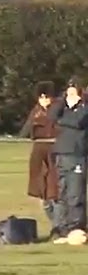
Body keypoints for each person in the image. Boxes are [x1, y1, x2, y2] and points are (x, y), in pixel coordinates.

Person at [19, 82, 60, 234]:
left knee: (55, 192)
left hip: (55, 152)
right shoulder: (35, 111)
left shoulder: (59, 110)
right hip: (38, 154)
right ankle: (55, 225)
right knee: (42, 193)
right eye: (41, 97)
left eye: (46, 96)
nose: (43, 100)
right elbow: (25, 131)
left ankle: (60, 226)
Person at [51, 76, 88, 243]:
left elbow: (77, 122)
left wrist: (62, 119)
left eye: (75, 88)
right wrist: (62, 101)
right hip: (61, 154)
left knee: (76, 194)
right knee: (63, 193)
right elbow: (51, 116)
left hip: (77, 155)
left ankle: (77, 227)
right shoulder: (63, 106)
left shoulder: (84, 108)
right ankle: (64, 228)